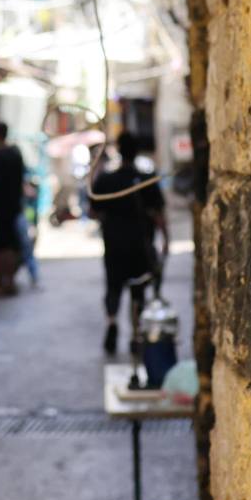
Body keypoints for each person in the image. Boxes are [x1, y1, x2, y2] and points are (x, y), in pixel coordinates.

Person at [89, 131, 167, 355]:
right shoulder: (146, 179)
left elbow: (93, 211)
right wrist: (166, 240)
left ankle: (112, 323)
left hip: (114, 245)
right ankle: (135, 335)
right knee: (138, 290)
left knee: (113, 287)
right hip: (140, 244)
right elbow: (158, 214)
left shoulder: (106, 179)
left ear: (119, 150)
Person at [0, 122, 29, 298]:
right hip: (14, 205)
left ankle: (3, 283)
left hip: (1, 207)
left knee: (1, 246)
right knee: (10, 244)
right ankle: (9, 281)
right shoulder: (15, 153)